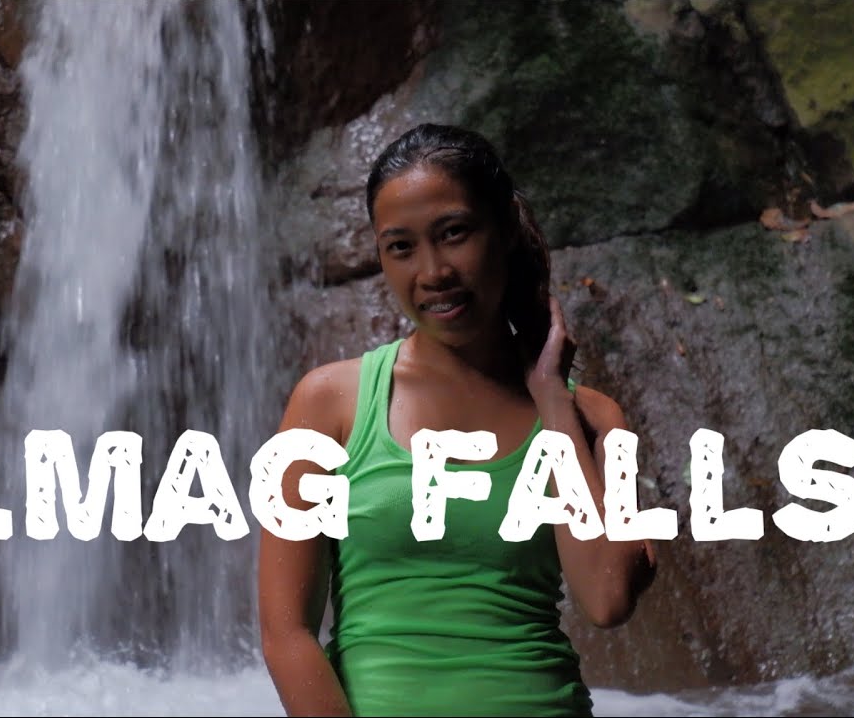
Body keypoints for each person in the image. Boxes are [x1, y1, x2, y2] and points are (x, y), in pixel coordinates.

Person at [257, 123, 658, 717]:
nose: (433, 271)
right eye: (401, 247)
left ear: (505, 231)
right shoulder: (329, 404)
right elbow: (286, 634)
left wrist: (552, 401)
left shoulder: (591, 418)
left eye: (454, 233)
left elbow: (607, 599)